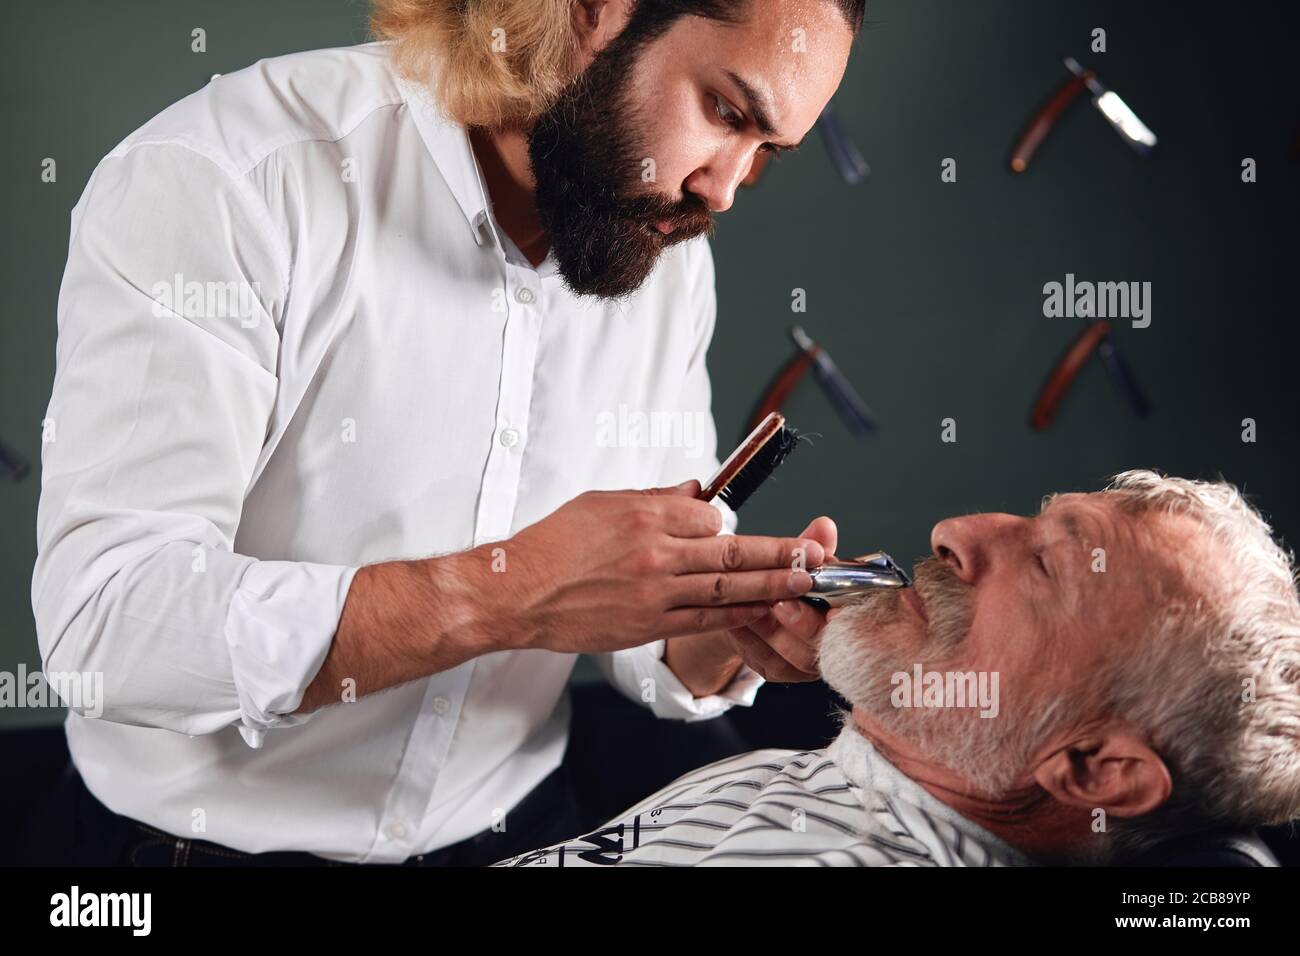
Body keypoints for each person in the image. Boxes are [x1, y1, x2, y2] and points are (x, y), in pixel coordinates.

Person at [30, 0, 863, 866]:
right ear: (596, 13)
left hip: (520, 832)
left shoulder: (664, 253)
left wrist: (717, 633)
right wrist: (507, 591)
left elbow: (640, 631)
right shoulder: (227, 181)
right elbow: (110, 627)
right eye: (726, 113)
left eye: (765, 151)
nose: (723, 189)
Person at [494, 471, 1300, 866]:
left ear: (1095, 770)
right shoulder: (871, 777)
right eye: (1032, 519)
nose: (956, 531)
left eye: (1048, 567)